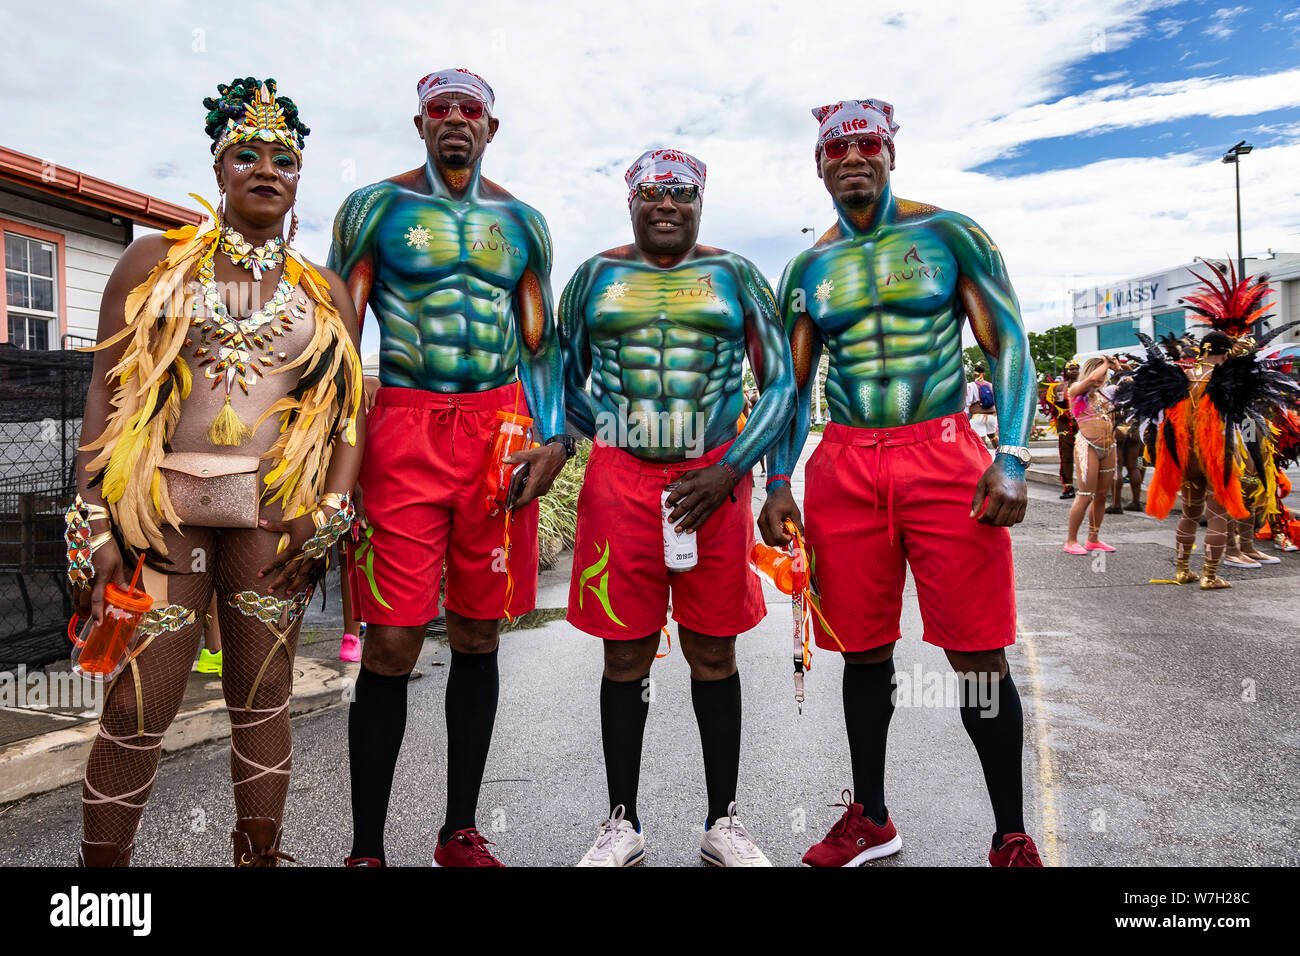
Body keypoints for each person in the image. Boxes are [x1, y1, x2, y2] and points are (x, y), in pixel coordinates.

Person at [70, 77, 364, 865]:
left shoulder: (325, 293)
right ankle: (99, 893)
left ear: (299, 177)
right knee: (138, 704)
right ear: (218, 167)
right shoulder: (152, 262)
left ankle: (257, 860)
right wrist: (93, 519)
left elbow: (344, 413)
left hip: (270, 523)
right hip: (162, 514)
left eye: (284, 159)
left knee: (263, 701)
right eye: (247, 154)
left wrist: (327, 511)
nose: (266, 169)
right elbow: (104, 387)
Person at [759, 99, 1042, 867]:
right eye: (837, 147)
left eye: (868, 143)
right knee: (862, 649)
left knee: (978, 651)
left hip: (944, 451)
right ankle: (871, 817)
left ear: (890, 153)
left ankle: (1010, 833)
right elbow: (789, 385)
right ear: (819, 164)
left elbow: (1010, 346)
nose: (853, 156)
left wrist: (1010, 455)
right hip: (846, 462)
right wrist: (776, 478)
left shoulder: (950, 235)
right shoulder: (809, 269)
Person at [329, 68, 569, 867]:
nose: (457, 121)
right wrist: (329, 453)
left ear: (491, 128)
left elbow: (541, 343)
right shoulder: (376, 209)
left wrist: (557, 438)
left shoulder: (522, 221)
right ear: (420, 123)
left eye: (472, 111)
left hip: (499, 427)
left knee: (477, 631)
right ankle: (367, 847)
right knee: (392, 640)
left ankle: (458, 830)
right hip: (402, 423)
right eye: (441, 110)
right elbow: (340, 335)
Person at [559, 148, 795, 867]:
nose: (667, 204)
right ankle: (620, 824)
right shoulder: (595, 277)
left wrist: (731, 470)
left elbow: (781, 382)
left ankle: (723, 822)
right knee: (625, 651)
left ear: (701, 201)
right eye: (653, 192)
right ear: (629, 201)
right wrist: (612, 435)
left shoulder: (735, 277)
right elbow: (561, 375)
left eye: (682, 193)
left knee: (714, 651)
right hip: (621, 479)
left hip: (713, 479)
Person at [1114, 259, 1299, 590]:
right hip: (1217, 455)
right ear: (1225, 354)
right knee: (1218, 515)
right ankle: (1211, 575)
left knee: (1188, 513)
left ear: (1202, 350)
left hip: (1185, 457)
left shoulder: (1182, 376)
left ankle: (1183, 570)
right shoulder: (1225, 377)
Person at [1063, 356, 1119, 554]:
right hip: (1087, 446)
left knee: (1102, 495)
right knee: (1085, 494)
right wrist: (1105, 363)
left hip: (1109, 446)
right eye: (1100, 372)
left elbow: (1128, 384)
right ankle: (1071, 540)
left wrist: (1117, 368)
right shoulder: (1077, 390)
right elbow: (1092, 380)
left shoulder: (1107, 394)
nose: (1102, 377)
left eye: (1105, 374)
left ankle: (1093, 538)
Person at [1041, 361, 1078, 498]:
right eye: (1071, 369)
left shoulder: (1086, 386)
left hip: (1082, 425)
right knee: (1066, 455)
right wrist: (1061, 409)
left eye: (1076, 368)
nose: (1074, 371)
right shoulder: (1059, 388)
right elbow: (1054, 408)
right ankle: (1068, 485)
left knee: (1084, 455)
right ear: (1065, 371)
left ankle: (1089, 486)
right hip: (1064, 425)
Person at [966, 364, 998, 448]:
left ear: (975, 374)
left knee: (980, 441)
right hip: (992, 417)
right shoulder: (990, 385)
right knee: (993, 437)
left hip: (978, 417)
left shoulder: (971, 386)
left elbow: (967, 402)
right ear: (983, 374)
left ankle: (984, 460)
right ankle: (1001, 457)